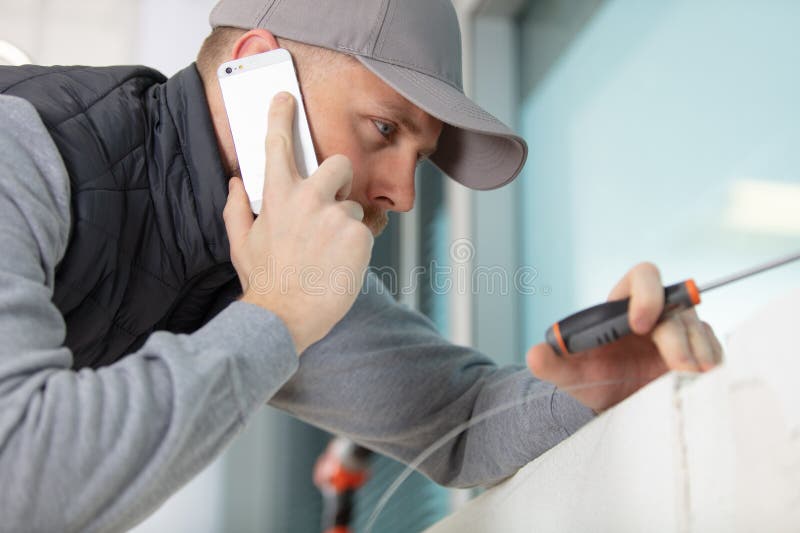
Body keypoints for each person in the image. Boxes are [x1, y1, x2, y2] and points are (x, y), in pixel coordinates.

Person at [0, 0, 723, 530]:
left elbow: (461, 423)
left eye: (420, 157)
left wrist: (598, 382)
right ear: (255, 69)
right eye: (384, 129)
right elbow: (17, 469)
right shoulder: (22, 152)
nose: (403, 195)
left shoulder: (273, 247)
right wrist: (278, 314)